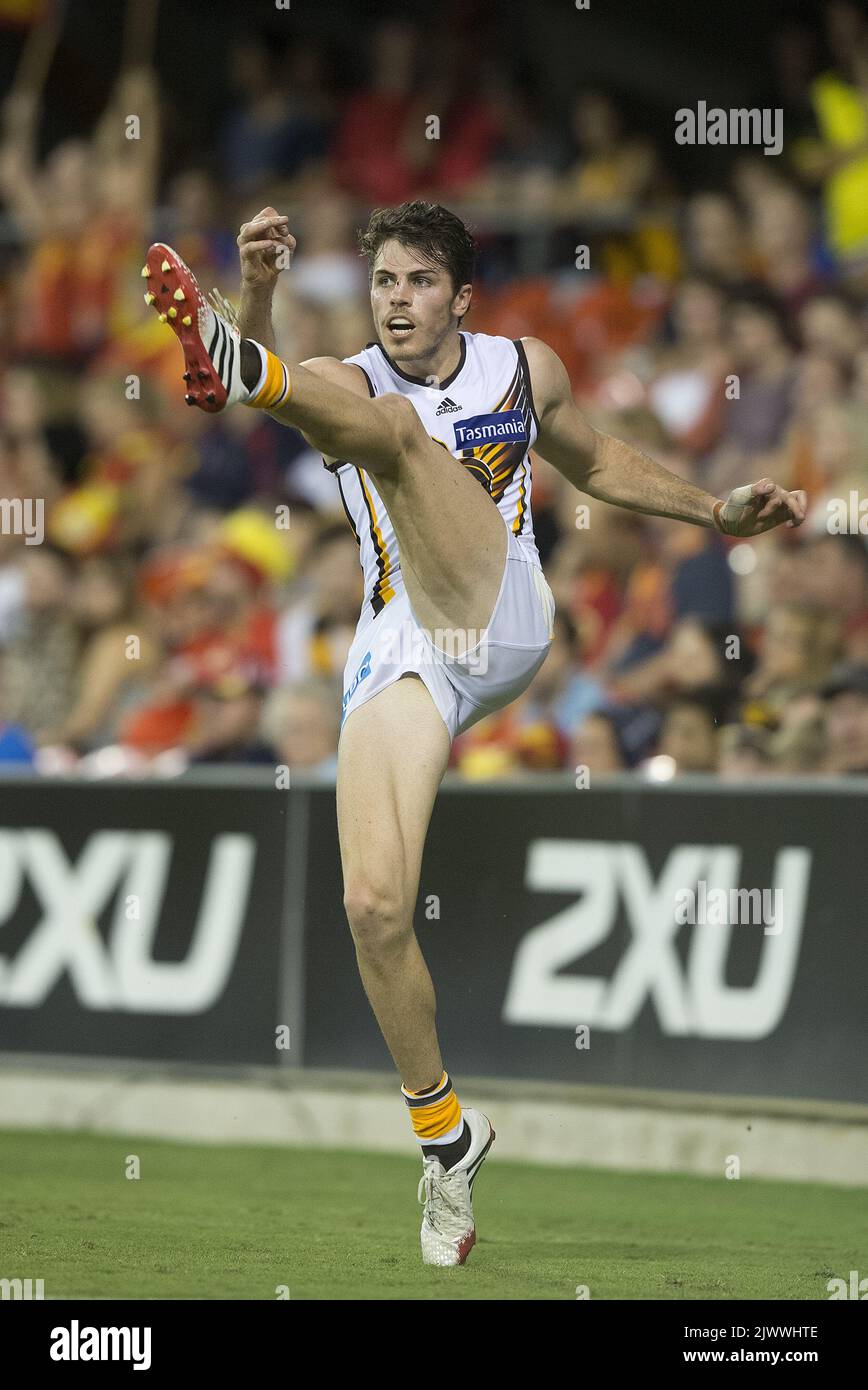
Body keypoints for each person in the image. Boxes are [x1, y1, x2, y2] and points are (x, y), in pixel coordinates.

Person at [141, 199, 806, 1266]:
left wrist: (711, 511)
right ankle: (445, 1141)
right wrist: (256, 295)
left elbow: (594, 462)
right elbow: (252, 398)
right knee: (371, 904)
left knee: (392, 435)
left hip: (499, 617)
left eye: (415, 282)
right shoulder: (352, 376)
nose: (395, 301)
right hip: (403, 648)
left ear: (458, 295)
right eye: (383, 282)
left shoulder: (520, 366)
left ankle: (226, 349)